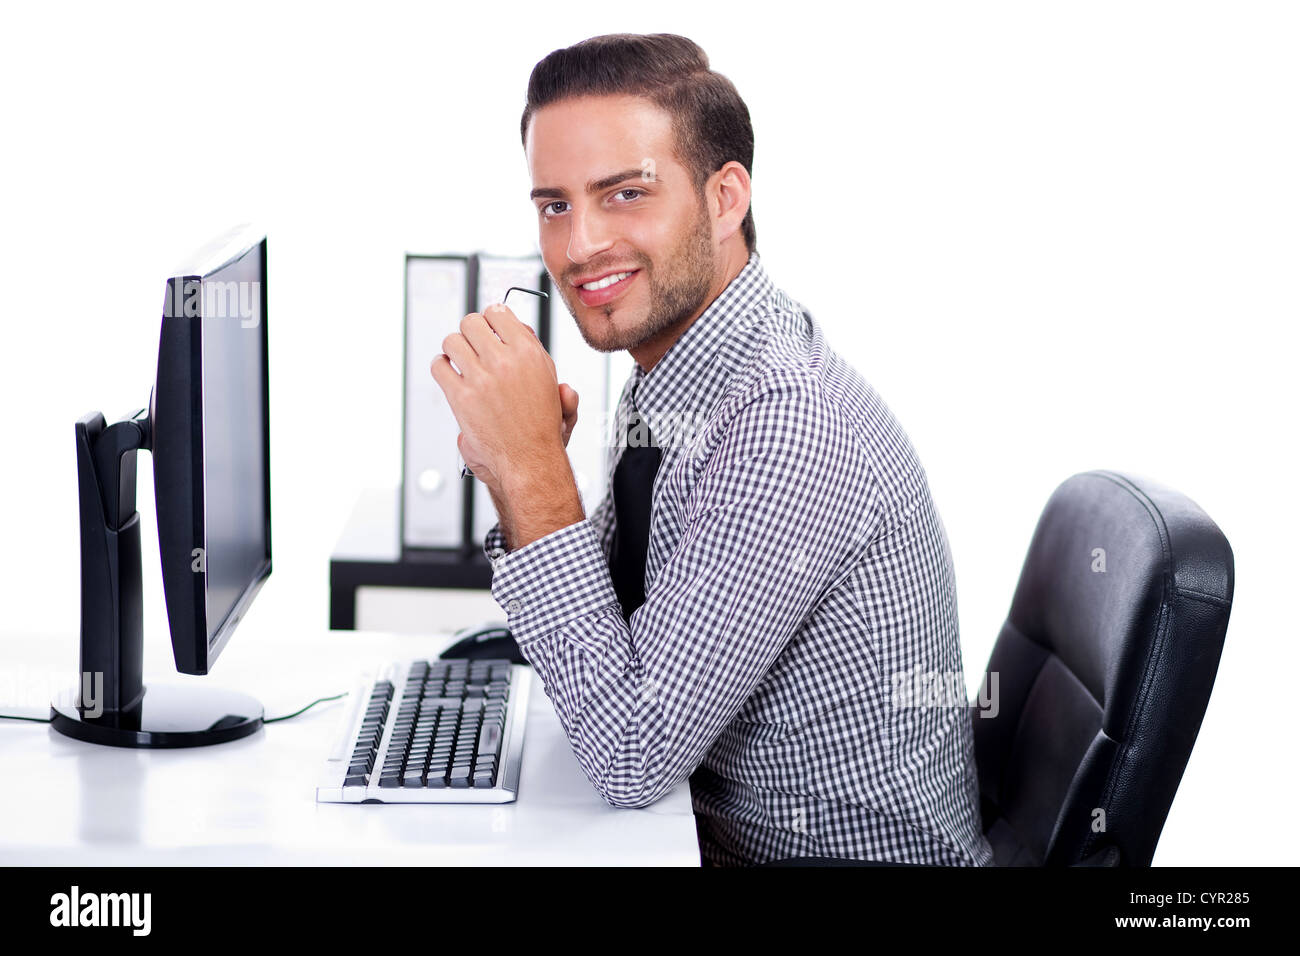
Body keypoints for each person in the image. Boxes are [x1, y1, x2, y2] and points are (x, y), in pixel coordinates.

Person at [431, 32, 993, 867]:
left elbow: (629, 753)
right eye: (554, 205)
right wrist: (519, 466)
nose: (579, 245)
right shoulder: (678, 370)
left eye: (624, 194)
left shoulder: (786, 425)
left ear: (725, 198)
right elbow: (630, 657)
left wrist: (533, 473)